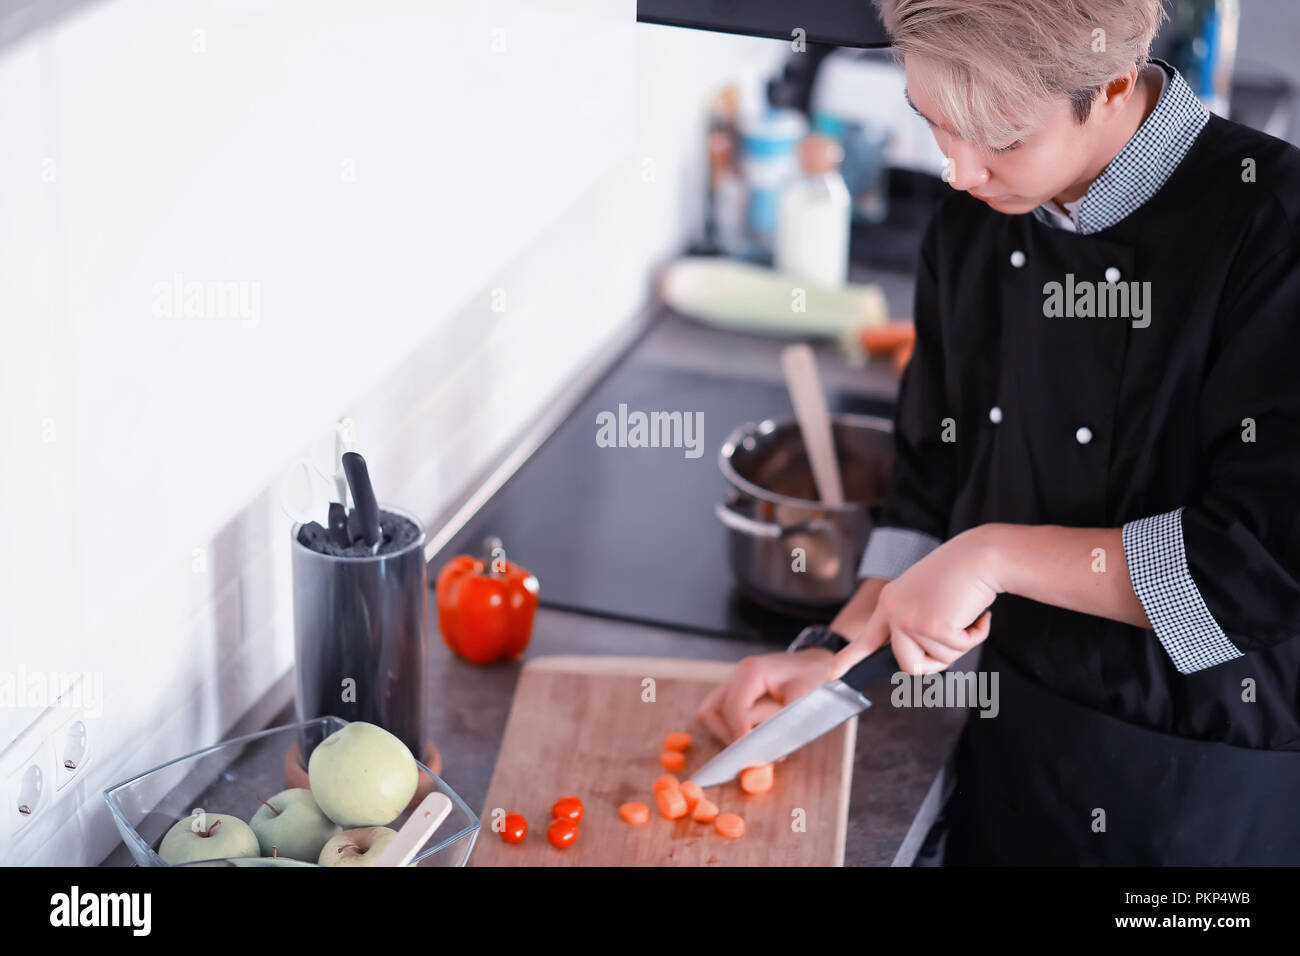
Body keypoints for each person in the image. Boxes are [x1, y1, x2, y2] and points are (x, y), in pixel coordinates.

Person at [697, 0, 1300, 865]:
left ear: (1113, 81)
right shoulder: (979, 211)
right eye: (931, 121)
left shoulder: (1274, 227)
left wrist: (994, 556)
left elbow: (1258, 569)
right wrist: (839, 654)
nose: (957, 171)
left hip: (1199, 794)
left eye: (1001, 139)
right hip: (1013, 750)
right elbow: (933, 473)